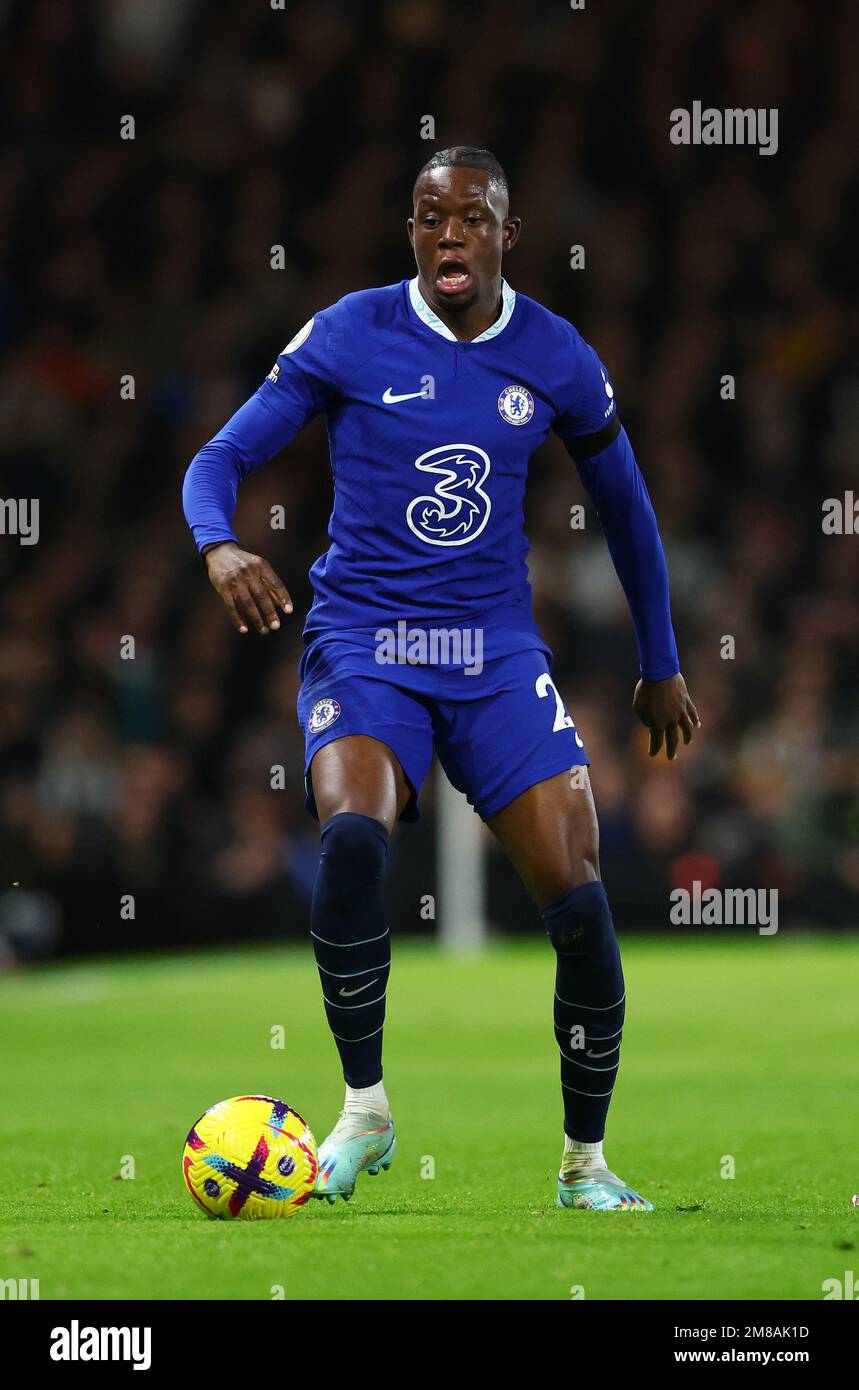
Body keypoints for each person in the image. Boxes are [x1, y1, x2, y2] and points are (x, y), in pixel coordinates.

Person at [183, 146, 700, 1212]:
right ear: (410, 232)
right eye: (427, 219)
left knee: (579, 892)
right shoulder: (349, 334)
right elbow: (219, 459)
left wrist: (661, 662)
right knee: (356, 836)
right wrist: (216, 543)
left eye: (468, 218)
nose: (446, 235)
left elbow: (628, 514)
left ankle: (584, 1165)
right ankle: (366, 1110)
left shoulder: (554, 355)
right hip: (365, 637)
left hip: (493, 653)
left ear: (507, 232)